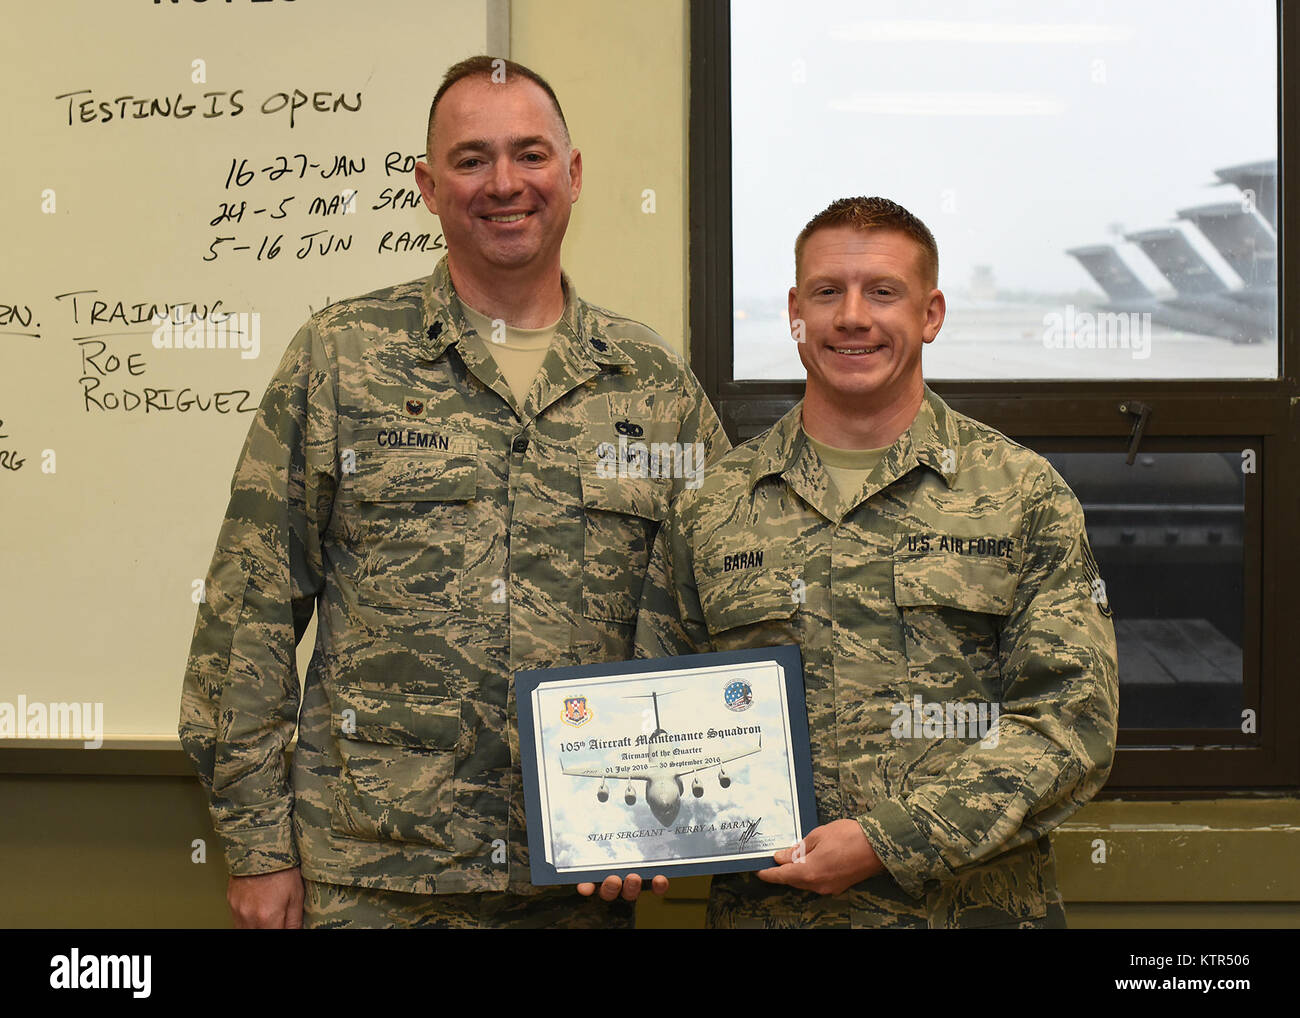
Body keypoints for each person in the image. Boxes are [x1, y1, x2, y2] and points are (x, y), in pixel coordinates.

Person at [178, 55, 729, 929]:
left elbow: (709, 612)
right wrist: (256, 848)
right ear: (429, 187)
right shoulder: (340, 357)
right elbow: (248, 615)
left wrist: (657, 822)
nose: (504, 183)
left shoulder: (651, 382)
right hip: (377, 878)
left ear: (574, 174)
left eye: (531, 155)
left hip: (582, 879)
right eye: (471, 160)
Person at [630, 196, 1118, 928]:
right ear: (797, 312)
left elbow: (1071, 722)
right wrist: (621, 841)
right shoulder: (711, 507)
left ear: (931, 314)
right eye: (828, 292)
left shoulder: (1022, 494)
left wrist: (888, 840)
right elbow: (653, 716)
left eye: (883, 291)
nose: (852, 316)